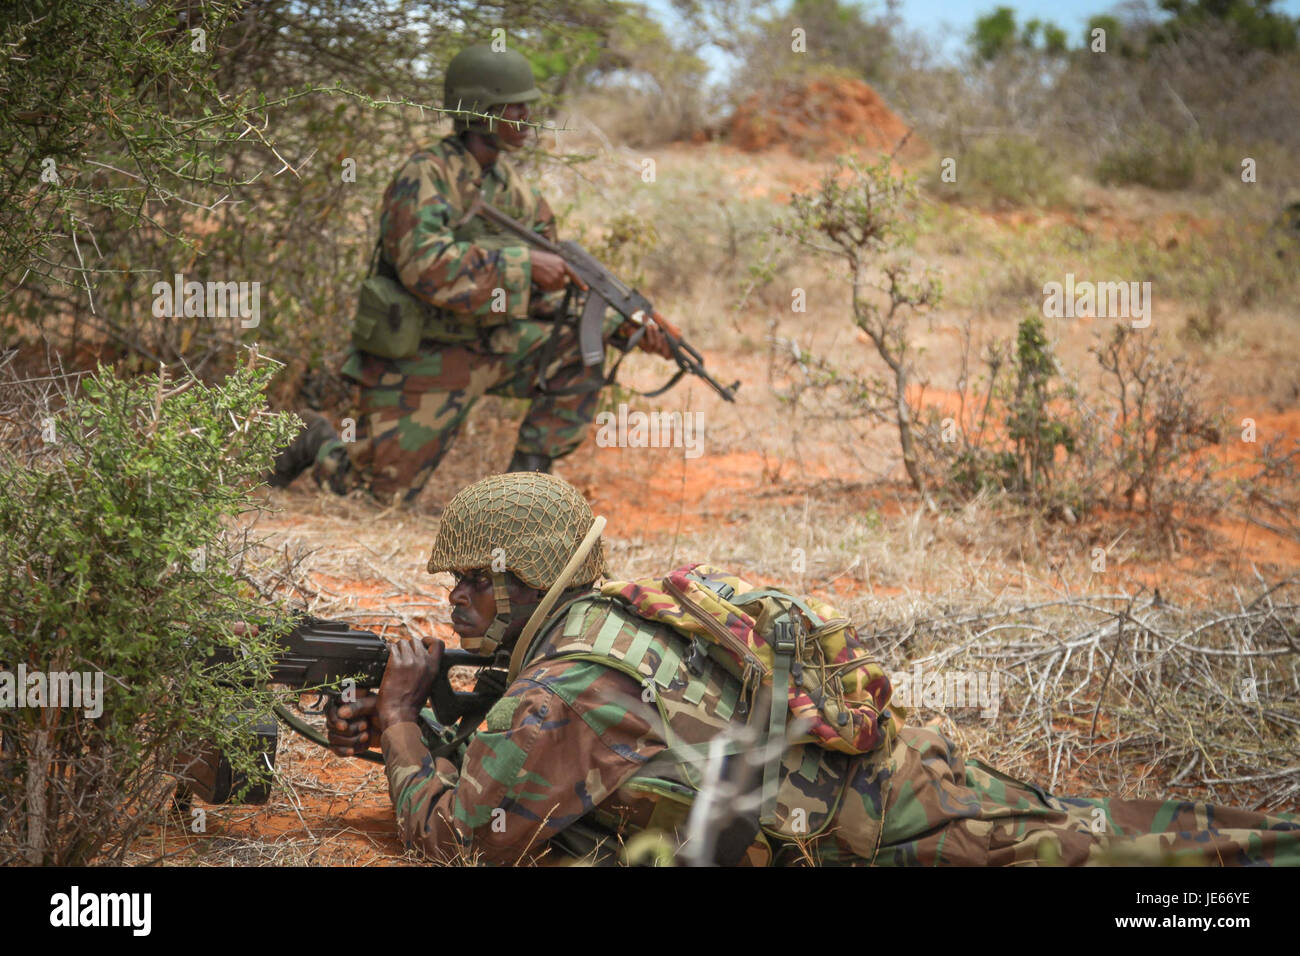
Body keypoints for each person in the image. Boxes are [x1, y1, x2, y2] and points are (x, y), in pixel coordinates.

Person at [326, 472, 1300, 866]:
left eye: (471, 583)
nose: (454, 601)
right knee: (1097, 829)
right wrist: (419, 723)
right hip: (878, 781)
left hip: (877, 827)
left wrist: (407, 725)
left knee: (1128, 855)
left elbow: (461, 840)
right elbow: (550, 755)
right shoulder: (602, 618)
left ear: (527, 574)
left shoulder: (562, 687)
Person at [270, 44, 676, 504]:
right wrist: (523, 266)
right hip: (420, 355)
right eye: (515, 106)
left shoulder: (516, 192)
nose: (527, 116)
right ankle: (312, 437)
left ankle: (520, 496)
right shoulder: (426, 175)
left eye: (529, 105)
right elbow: (424, 268)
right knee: (369, 498)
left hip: (488, 344)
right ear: (479, 112)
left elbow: (546, 296)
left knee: (579, 352)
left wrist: (620, 326)